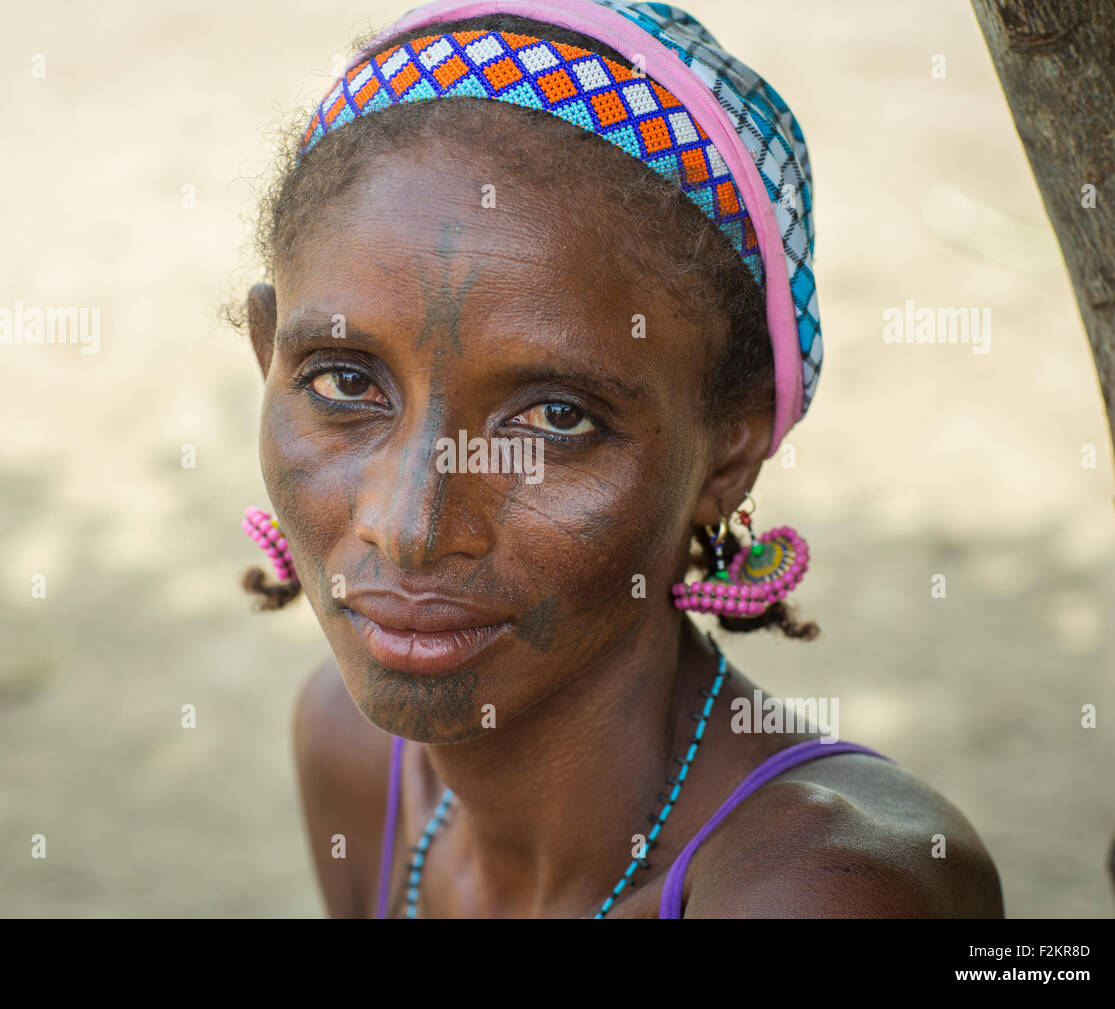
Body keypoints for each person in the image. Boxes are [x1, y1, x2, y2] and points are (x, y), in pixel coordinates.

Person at [234, 0, 1004, 918]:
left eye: (557, 417)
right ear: (266, 352)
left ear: (730, 456)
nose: (406, 527)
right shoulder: (358, 755)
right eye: (344, 384)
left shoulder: (824, 892)